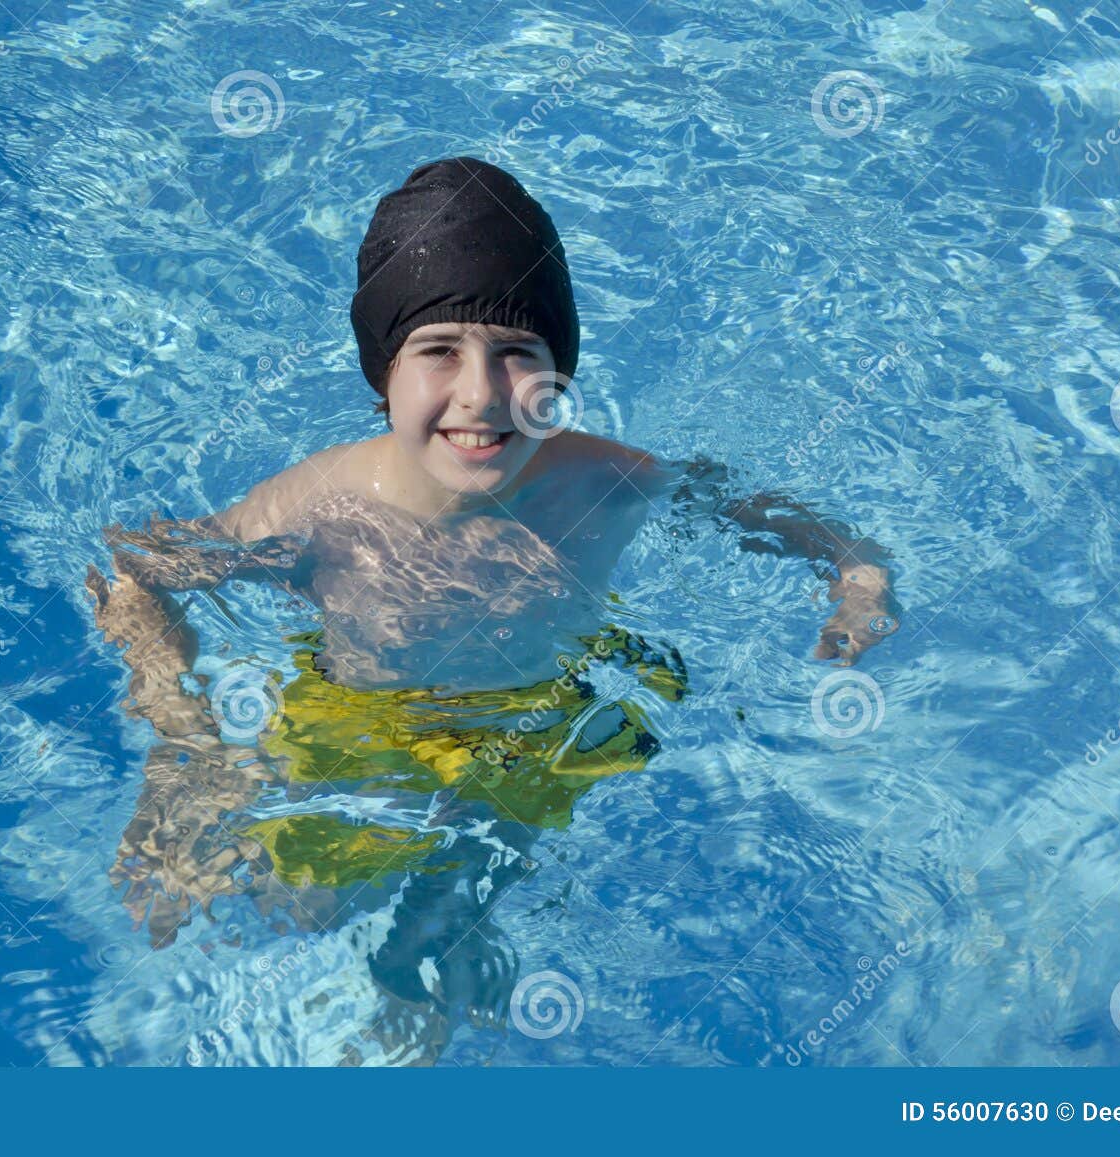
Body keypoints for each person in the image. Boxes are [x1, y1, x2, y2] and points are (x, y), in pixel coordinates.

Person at [87, 158, 898, 967]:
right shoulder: (319, 507)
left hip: (547, 715)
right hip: (366, 718)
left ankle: (440, 951)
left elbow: (770, 513)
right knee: (299, 910)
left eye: (516, 350)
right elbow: (134, 571)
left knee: (465, 912)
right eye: (439, 350)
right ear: (384, 375)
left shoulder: (604, 480)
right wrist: (183, 745)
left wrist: (859, 580)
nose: (480, 393)